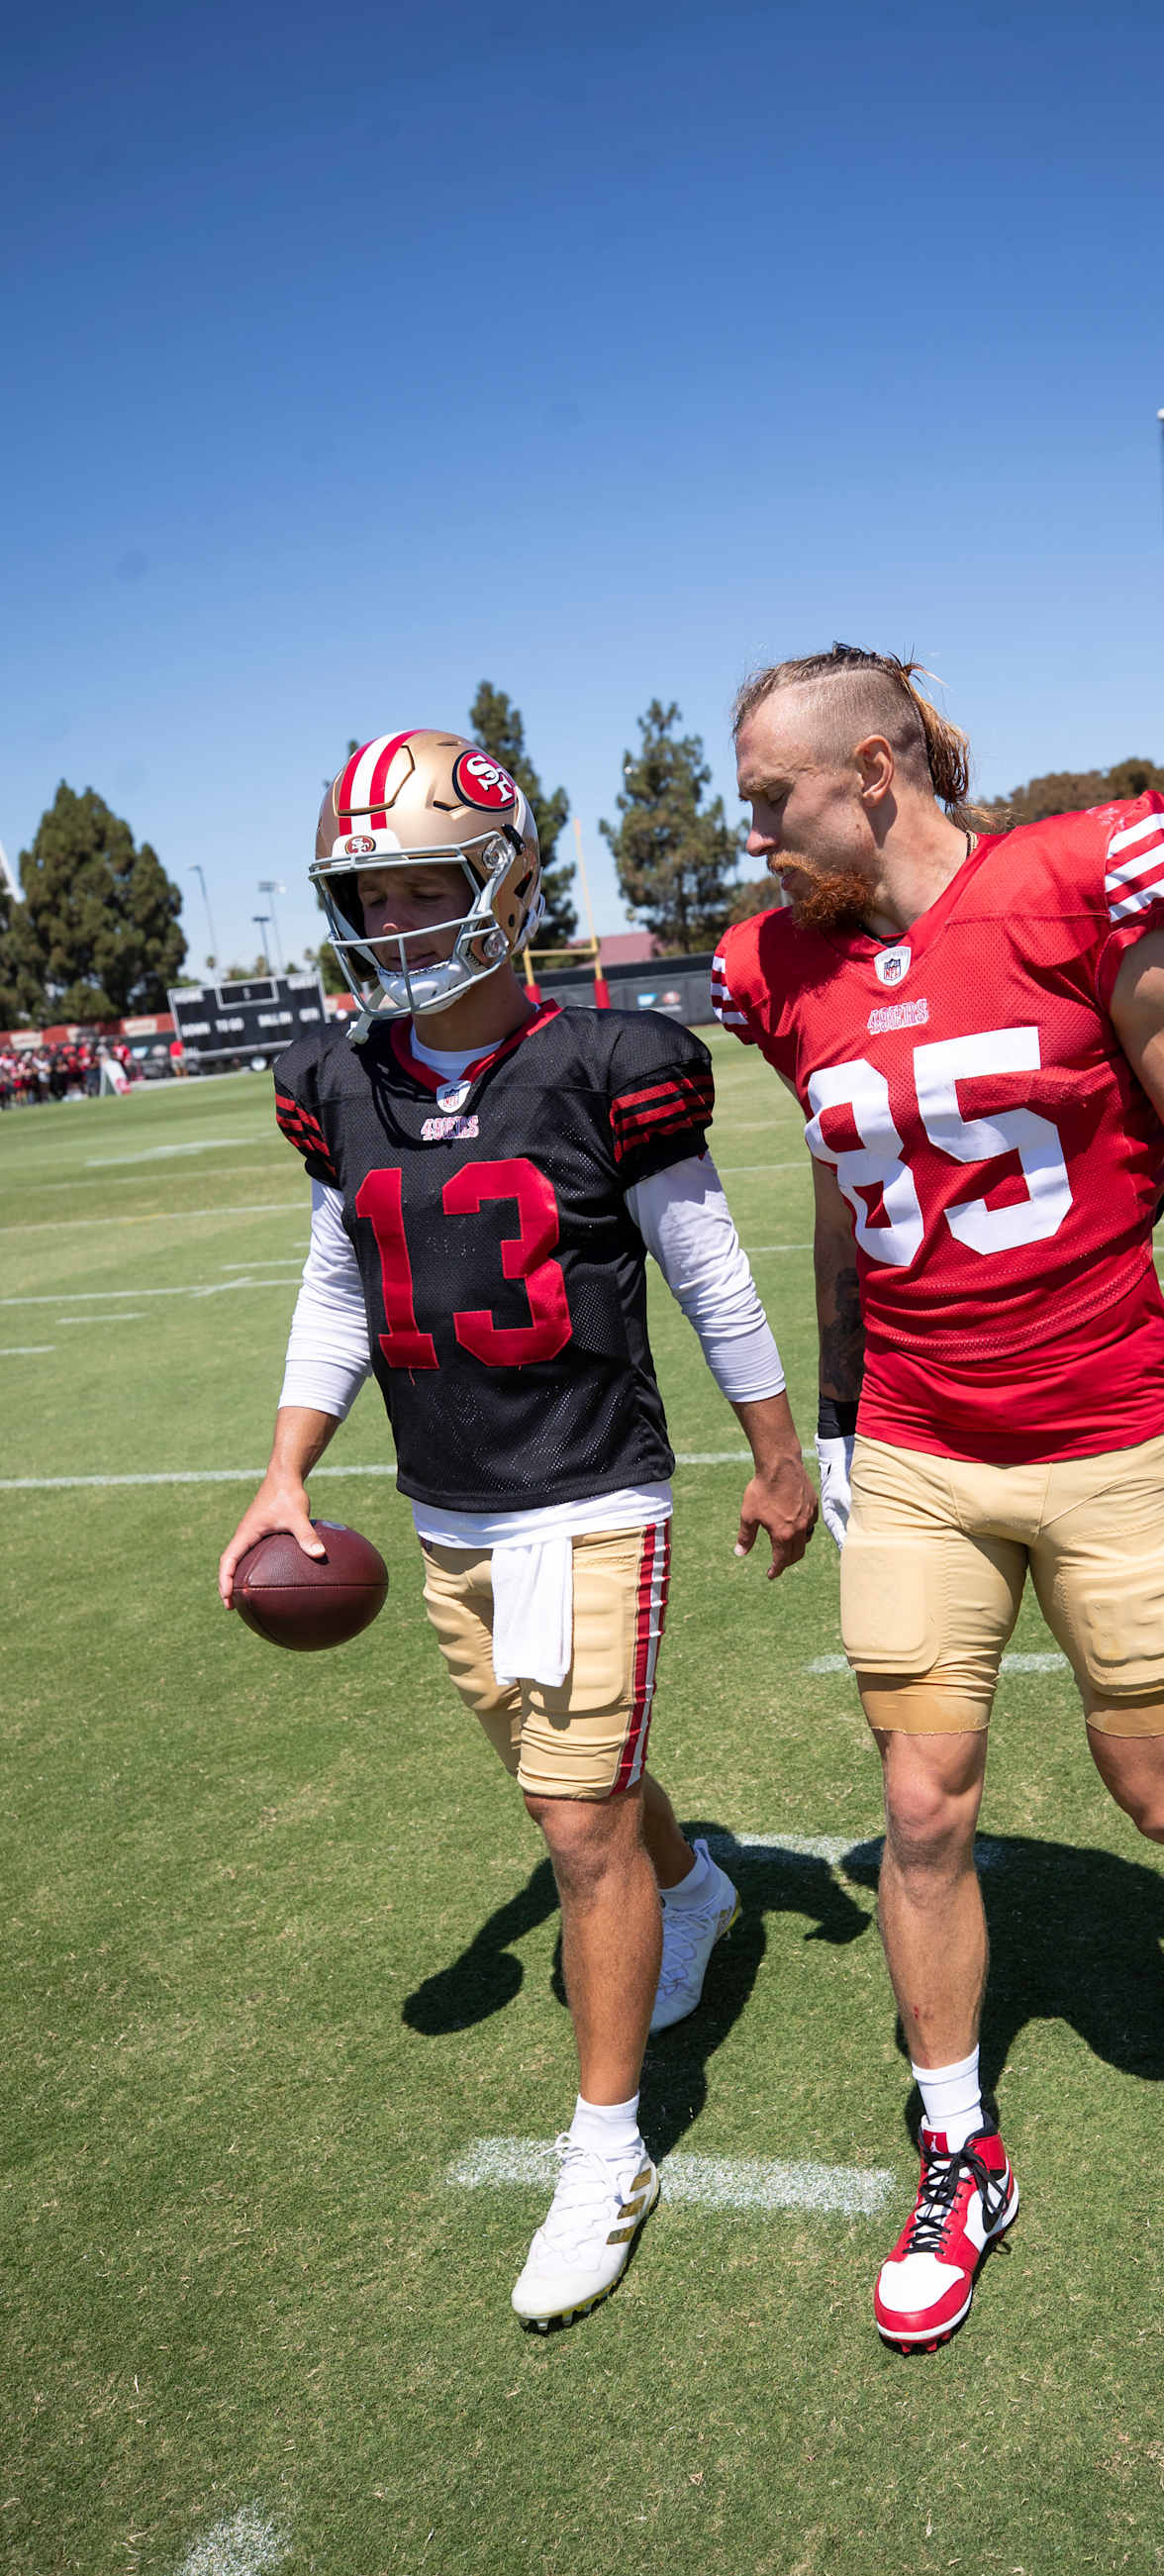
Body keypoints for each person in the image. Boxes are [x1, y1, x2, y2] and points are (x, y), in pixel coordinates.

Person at [712, 646, 1164, 2351]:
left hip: (1099, 1434)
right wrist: (838, 1420)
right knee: (923, 1805)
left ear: (877, 766)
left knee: (1153, 1789)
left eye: (770, 799)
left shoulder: (1074, 882)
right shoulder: (772, 968)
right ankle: (955, 2150)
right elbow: (851, 1197)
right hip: (918, 1446)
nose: (749, 835)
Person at [220, 728, 816, 2330]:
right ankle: (691, 1887)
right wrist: (287, 1470)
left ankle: (607, 2148)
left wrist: (776, 1450)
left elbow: (707, 1268)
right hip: (444, 1511)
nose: (403, 918)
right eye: (375, 891)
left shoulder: (611, 1063)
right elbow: (341, 1281)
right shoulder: (334, 1083)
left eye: (430, 884)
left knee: (571, 1827)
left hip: (587, 1493)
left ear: (508, 881)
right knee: (581, 1789)